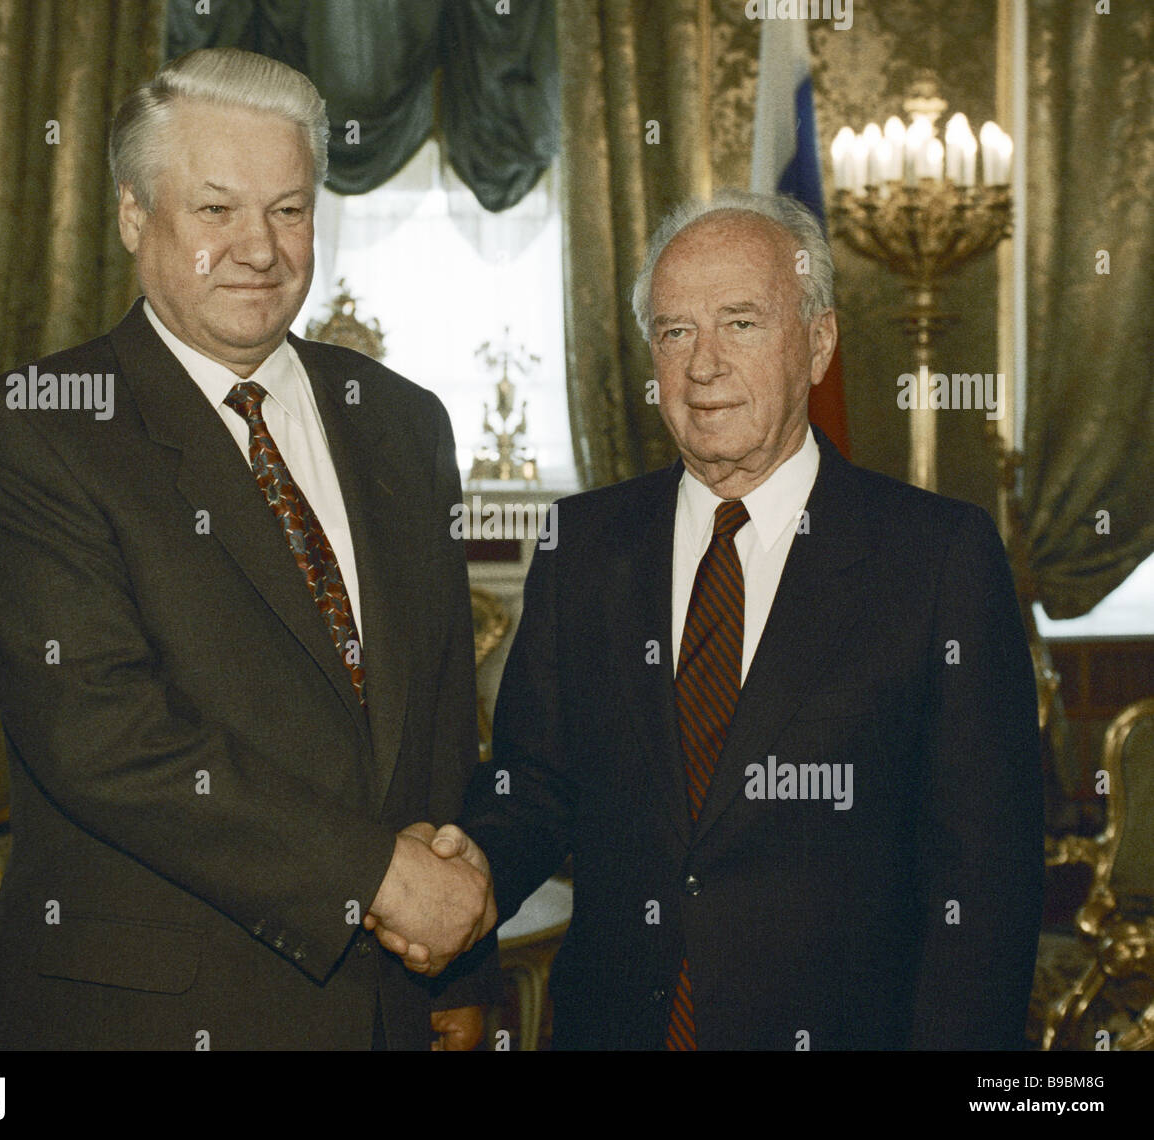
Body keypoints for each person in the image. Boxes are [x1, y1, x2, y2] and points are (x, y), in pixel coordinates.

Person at [377, 189, 1043, 1050]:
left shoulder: (935, 557)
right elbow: (535, 785)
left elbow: (986, 881)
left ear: (819, 343)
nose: (702, 365)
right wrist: (475, 869)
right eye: (675, 331)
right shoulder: (582, 547)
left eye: (740, 323)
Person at [0, 47, 495, 1051]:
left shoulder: (403, 421)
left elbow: (441, 710)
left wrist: (459, 959)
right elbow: (105, 738)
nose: (260, 248)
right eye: (215, 211)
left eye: (288, 210)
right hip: (148, 1014)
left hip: (385, 1010)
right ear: (131, 218)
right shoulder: (31, 428)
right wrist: (377, 877)